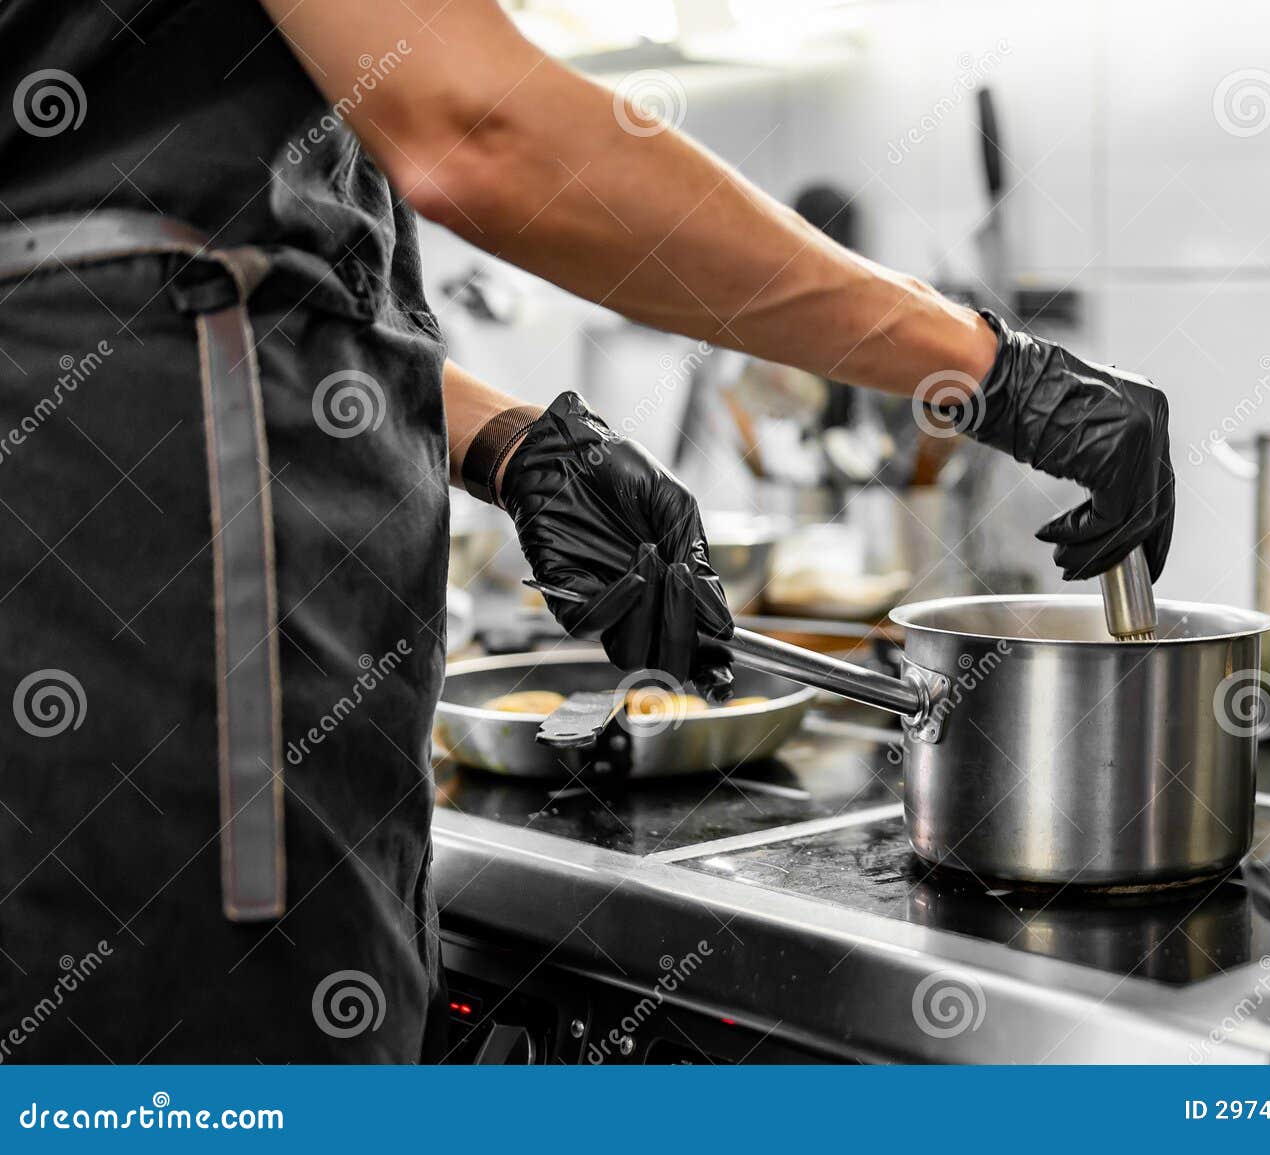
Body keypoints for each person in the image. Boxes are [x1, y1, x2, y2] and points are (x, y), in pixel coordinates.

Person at [0, 0, 1173, 1061]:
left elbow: (148, 254)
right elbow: (476, 125)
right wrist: (993, 369)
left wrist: (506, 444)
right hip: (160, 607)